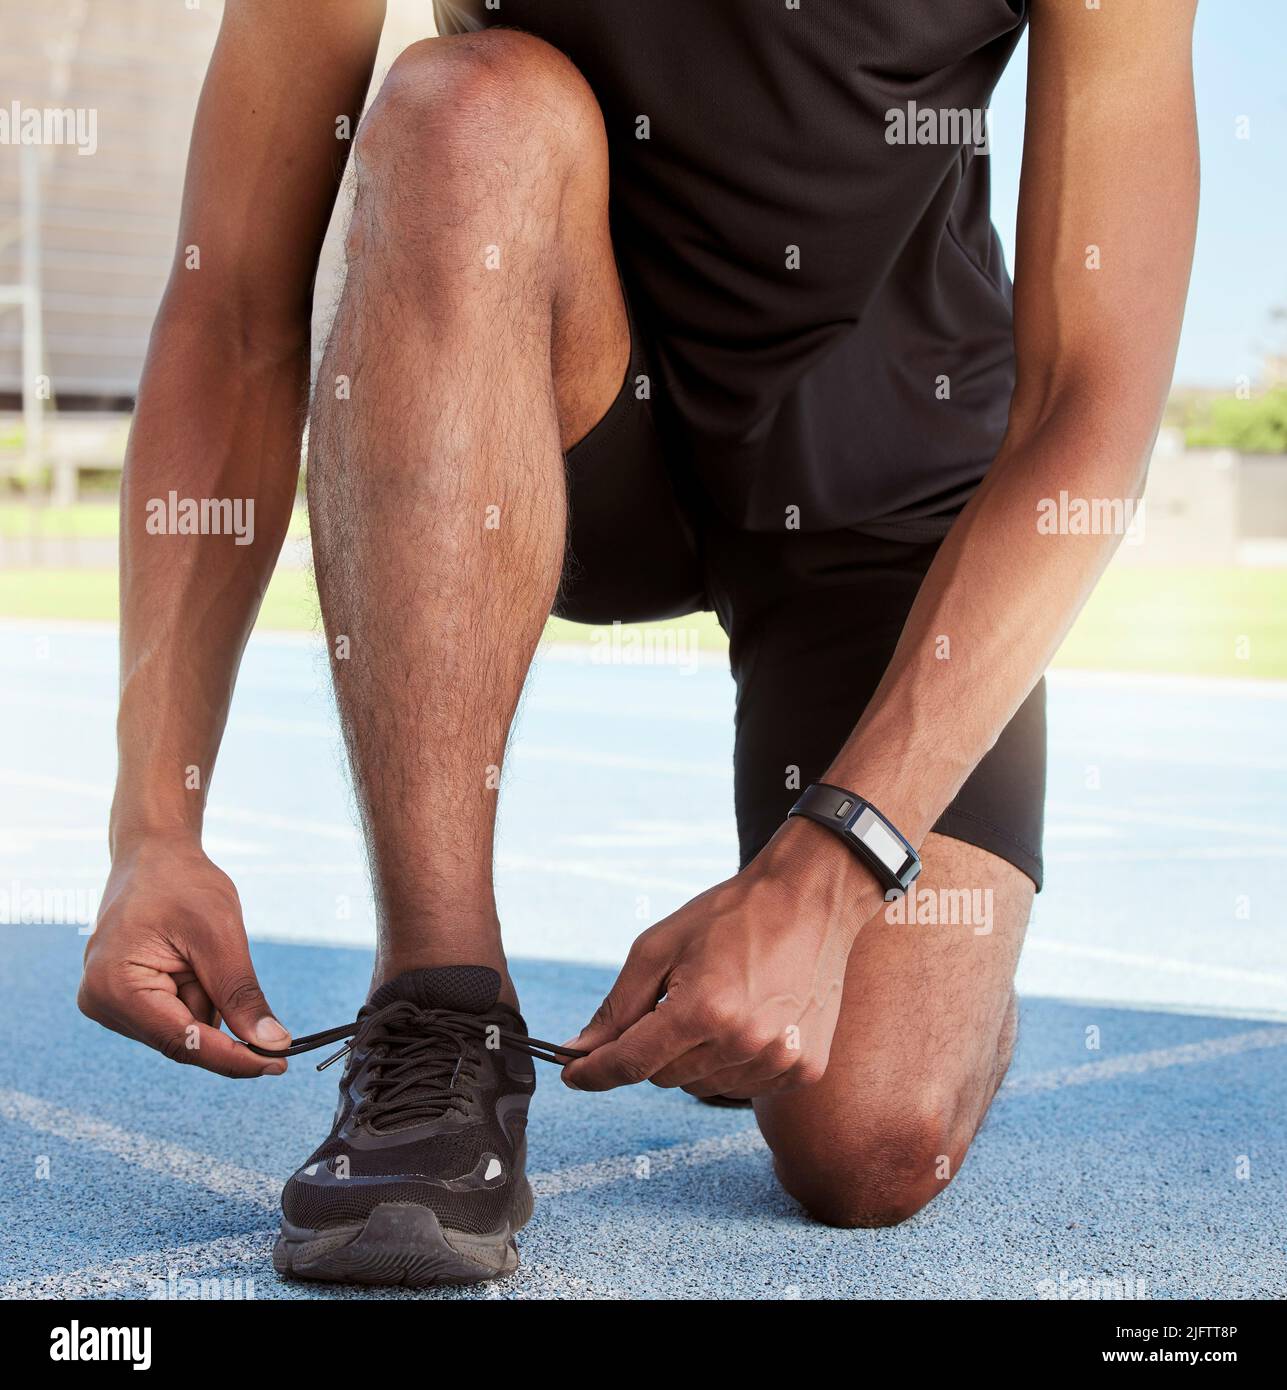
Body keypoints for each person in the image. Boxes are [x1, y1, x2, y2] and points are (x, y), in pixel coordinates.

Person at [78, 0, 1198, 1285]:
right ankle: (439, 1008)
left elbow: (1091, 399)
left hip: (884, 500)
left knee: (872, 1143)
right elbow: (233, 312)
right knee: (463, 111)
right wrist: (152, 824)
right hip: (570, 414)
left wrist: (830, 875)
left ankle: (939, 988)